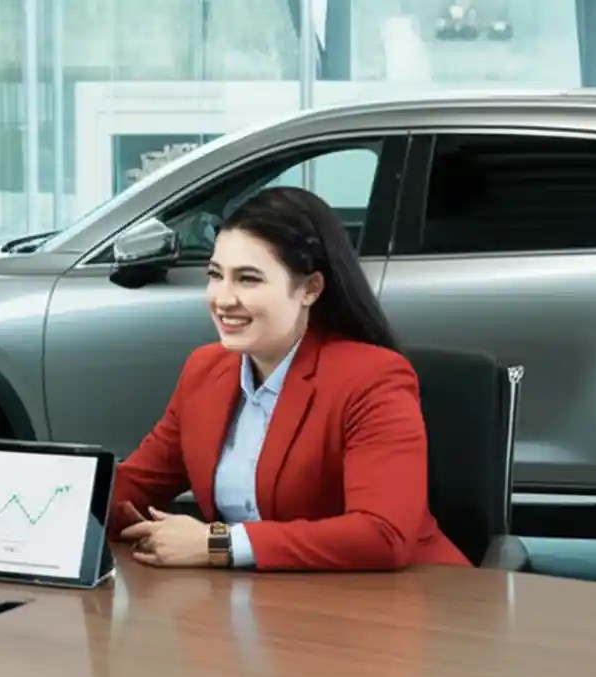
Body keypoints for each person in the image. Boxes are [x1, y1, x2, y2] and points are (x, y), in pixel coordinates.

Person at [110, 186, 469, 571]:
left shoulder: (372, 378)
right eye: (216, 275)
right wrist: (57, 504)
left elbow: (382, 534)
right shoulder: (205, 370)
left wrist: (217, 544)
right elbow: (134, 487)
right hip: (263, 604)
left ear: (310, 289)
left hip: (398, 603)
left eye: (248, 279)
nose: (223, 298)